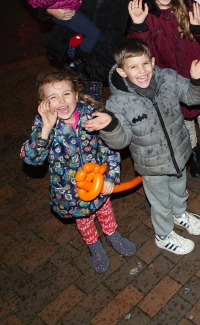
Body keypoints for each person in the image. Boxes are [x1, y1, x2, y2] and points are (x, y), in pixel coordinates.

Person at [99, 39, 200, 254]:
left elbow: (192, 98)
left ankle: (180, 214)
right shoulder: (117, 103)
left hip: (179, 154)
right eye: (133, 67)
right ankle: (163, 234)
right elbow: (120, 141)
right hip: (151, 166)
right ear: (122, 72)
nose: (142, 71)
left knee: (179, 191)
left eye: (145, 64)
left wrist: (197, 81)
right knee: (160, 203)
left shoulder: (167, 78)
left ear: (152, 61)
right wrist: (110, 125)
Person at [21, 69, 136, 274]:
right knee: (83, 220)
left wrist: (110, 175)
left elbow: (108, 146)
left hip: (98, 181)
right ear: (44, 104)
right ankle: (94, 245)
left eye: (66, 93)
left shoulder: (90, 114)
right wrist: (46, 129)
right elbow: (32, 159)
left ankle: (113, 235)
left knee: (105, 210)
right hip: (70, 191)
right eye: (53, 97)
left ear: (75, 95)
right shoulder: (43, 126)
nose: (62, 101)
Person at [127, 0, 200, 178]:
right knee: (184, 118)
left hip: (197, 74)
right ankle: (194, 152)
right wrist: (139, 24)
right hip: (170, 81)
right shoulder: (147, 14)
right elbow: (144, 52)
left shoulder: (190, 7)